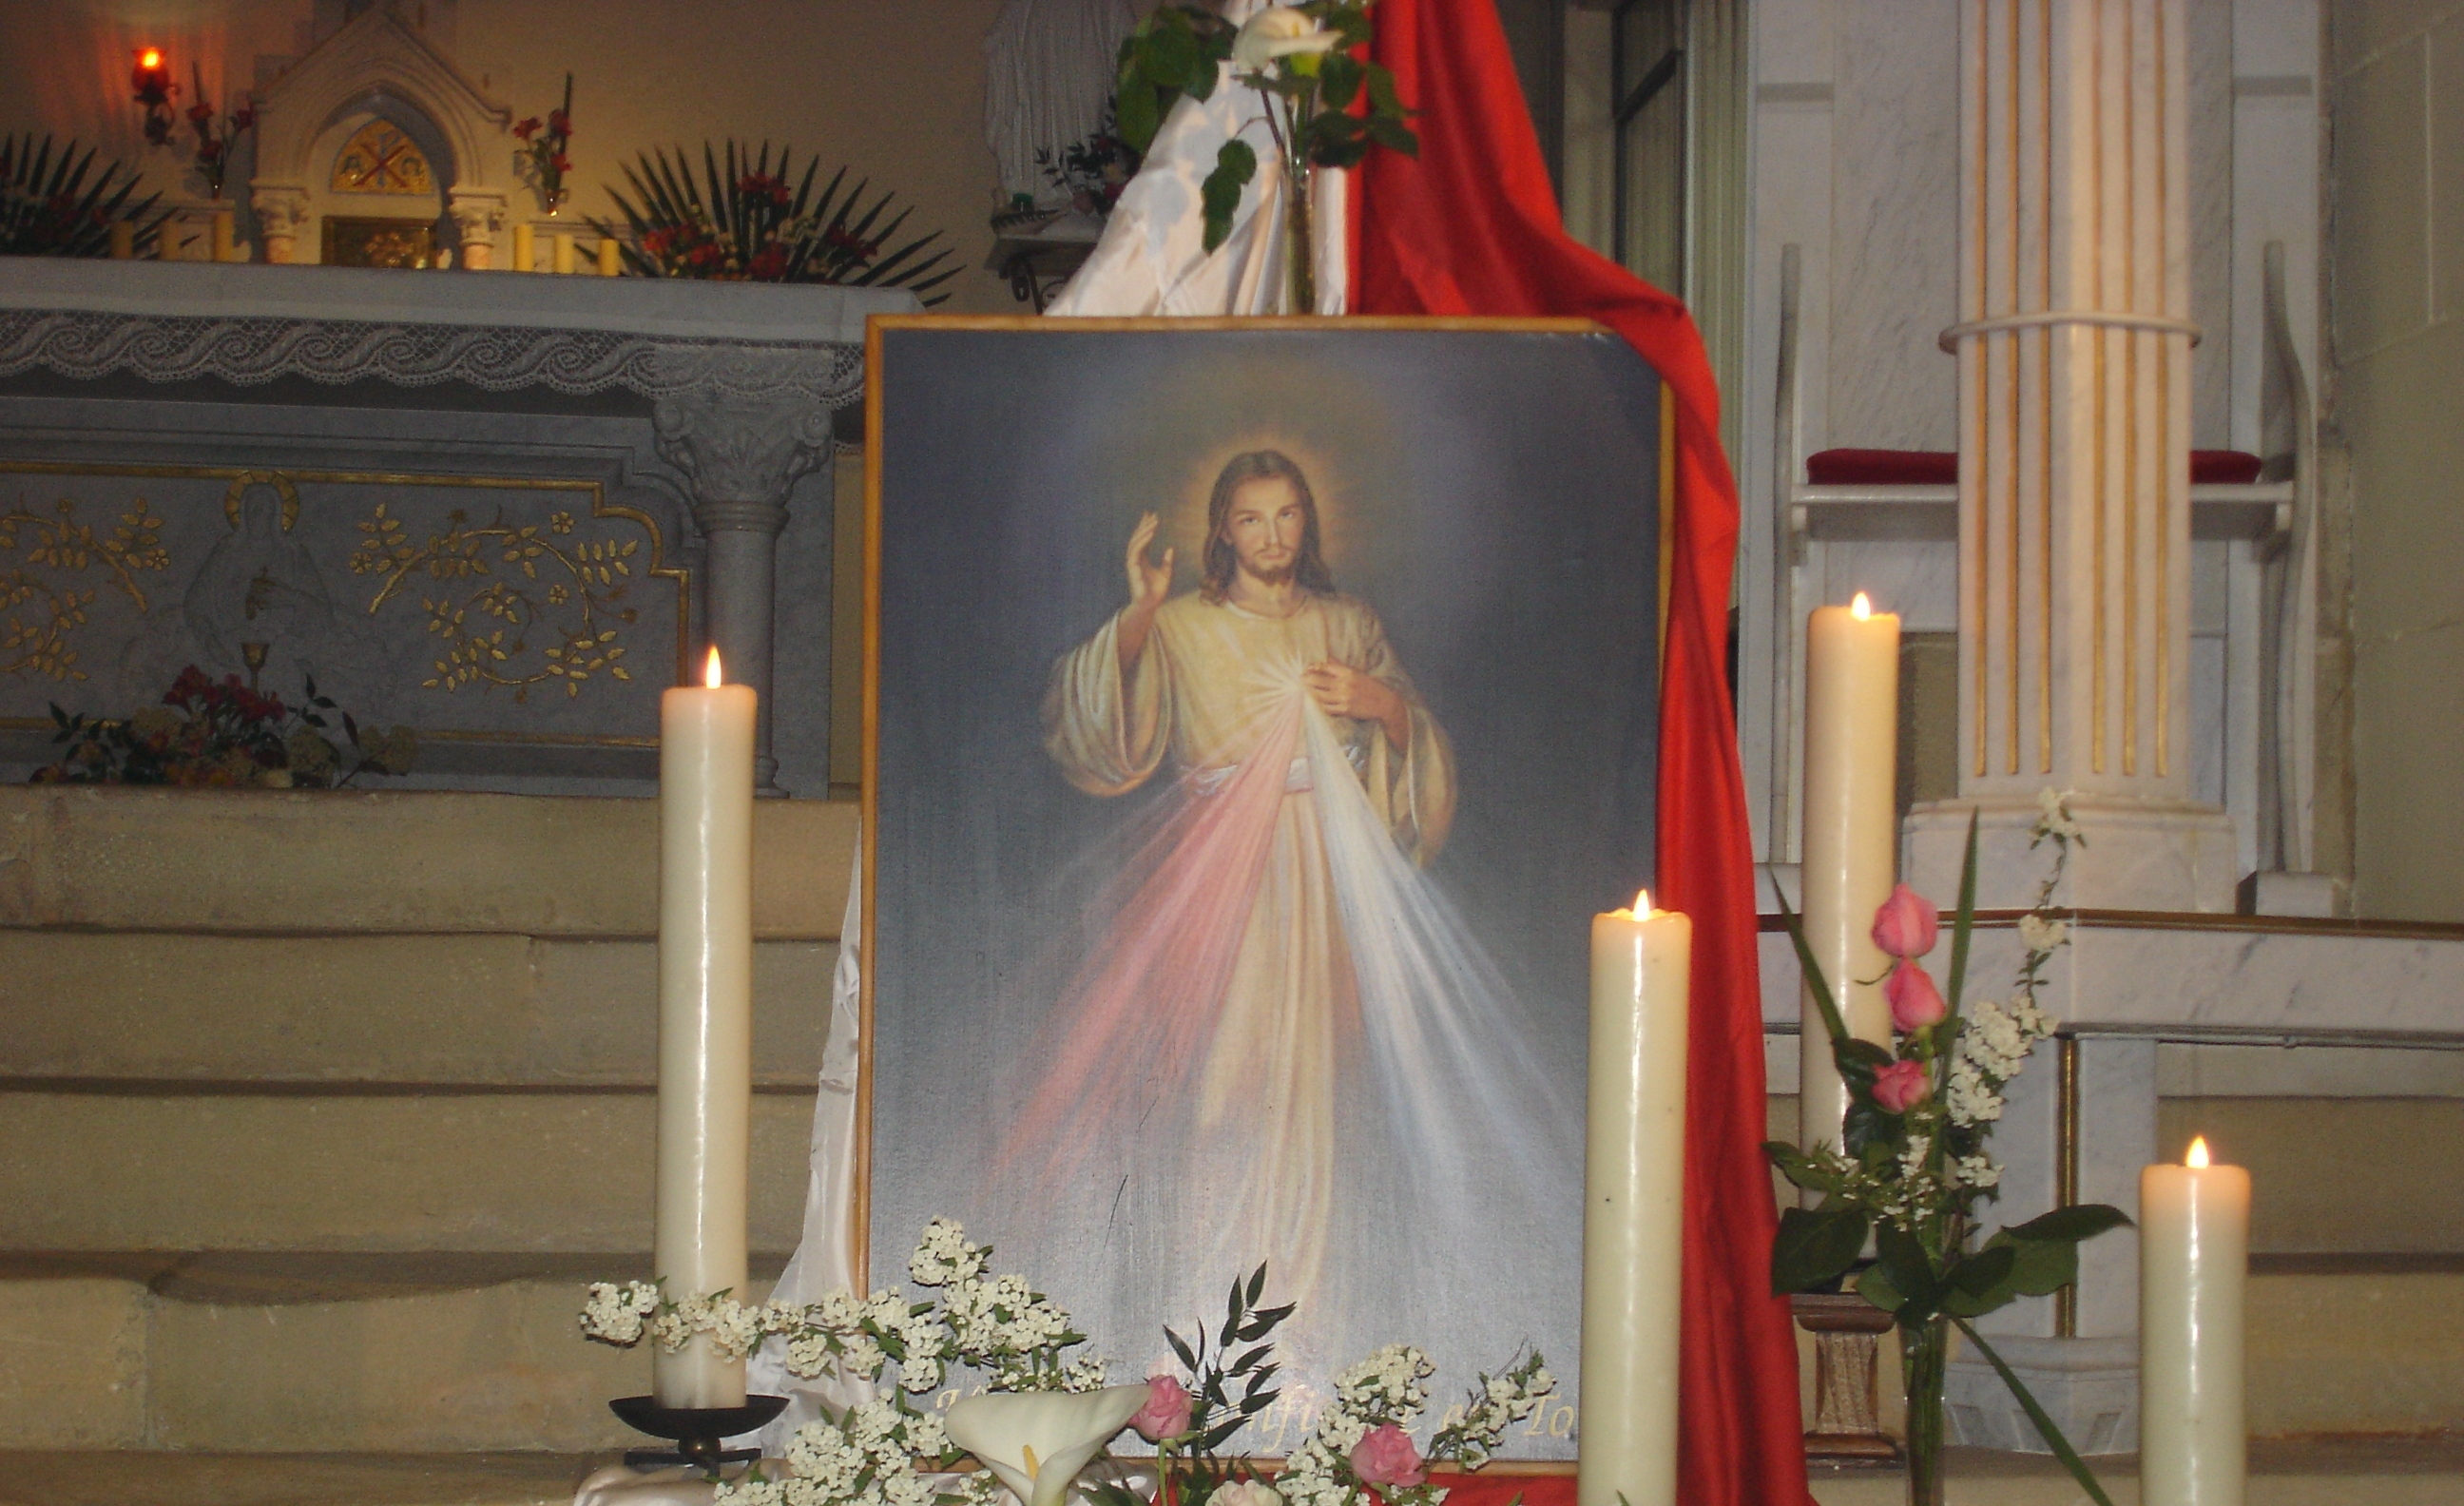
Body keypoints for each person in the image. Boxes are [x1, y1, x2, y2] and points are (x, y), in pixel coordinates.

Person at [1019, 449, 1456, 1315]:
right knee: (1222, 1091)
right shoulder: (1182, 624)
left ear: (1309, 521)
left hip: (1330, 882)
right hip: (1221, 880)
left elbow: (1419, 753)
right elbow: (1094, 731)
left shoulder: (1349, 623)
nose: (1272, 535)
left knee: (1322, 1100)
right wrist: (1140, 612)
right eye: (1252, 518)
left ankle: (1309, 1332)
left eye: (1287, 514)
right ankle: (1209, 1320)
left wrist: (1382, 704)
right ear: (1224, 529)